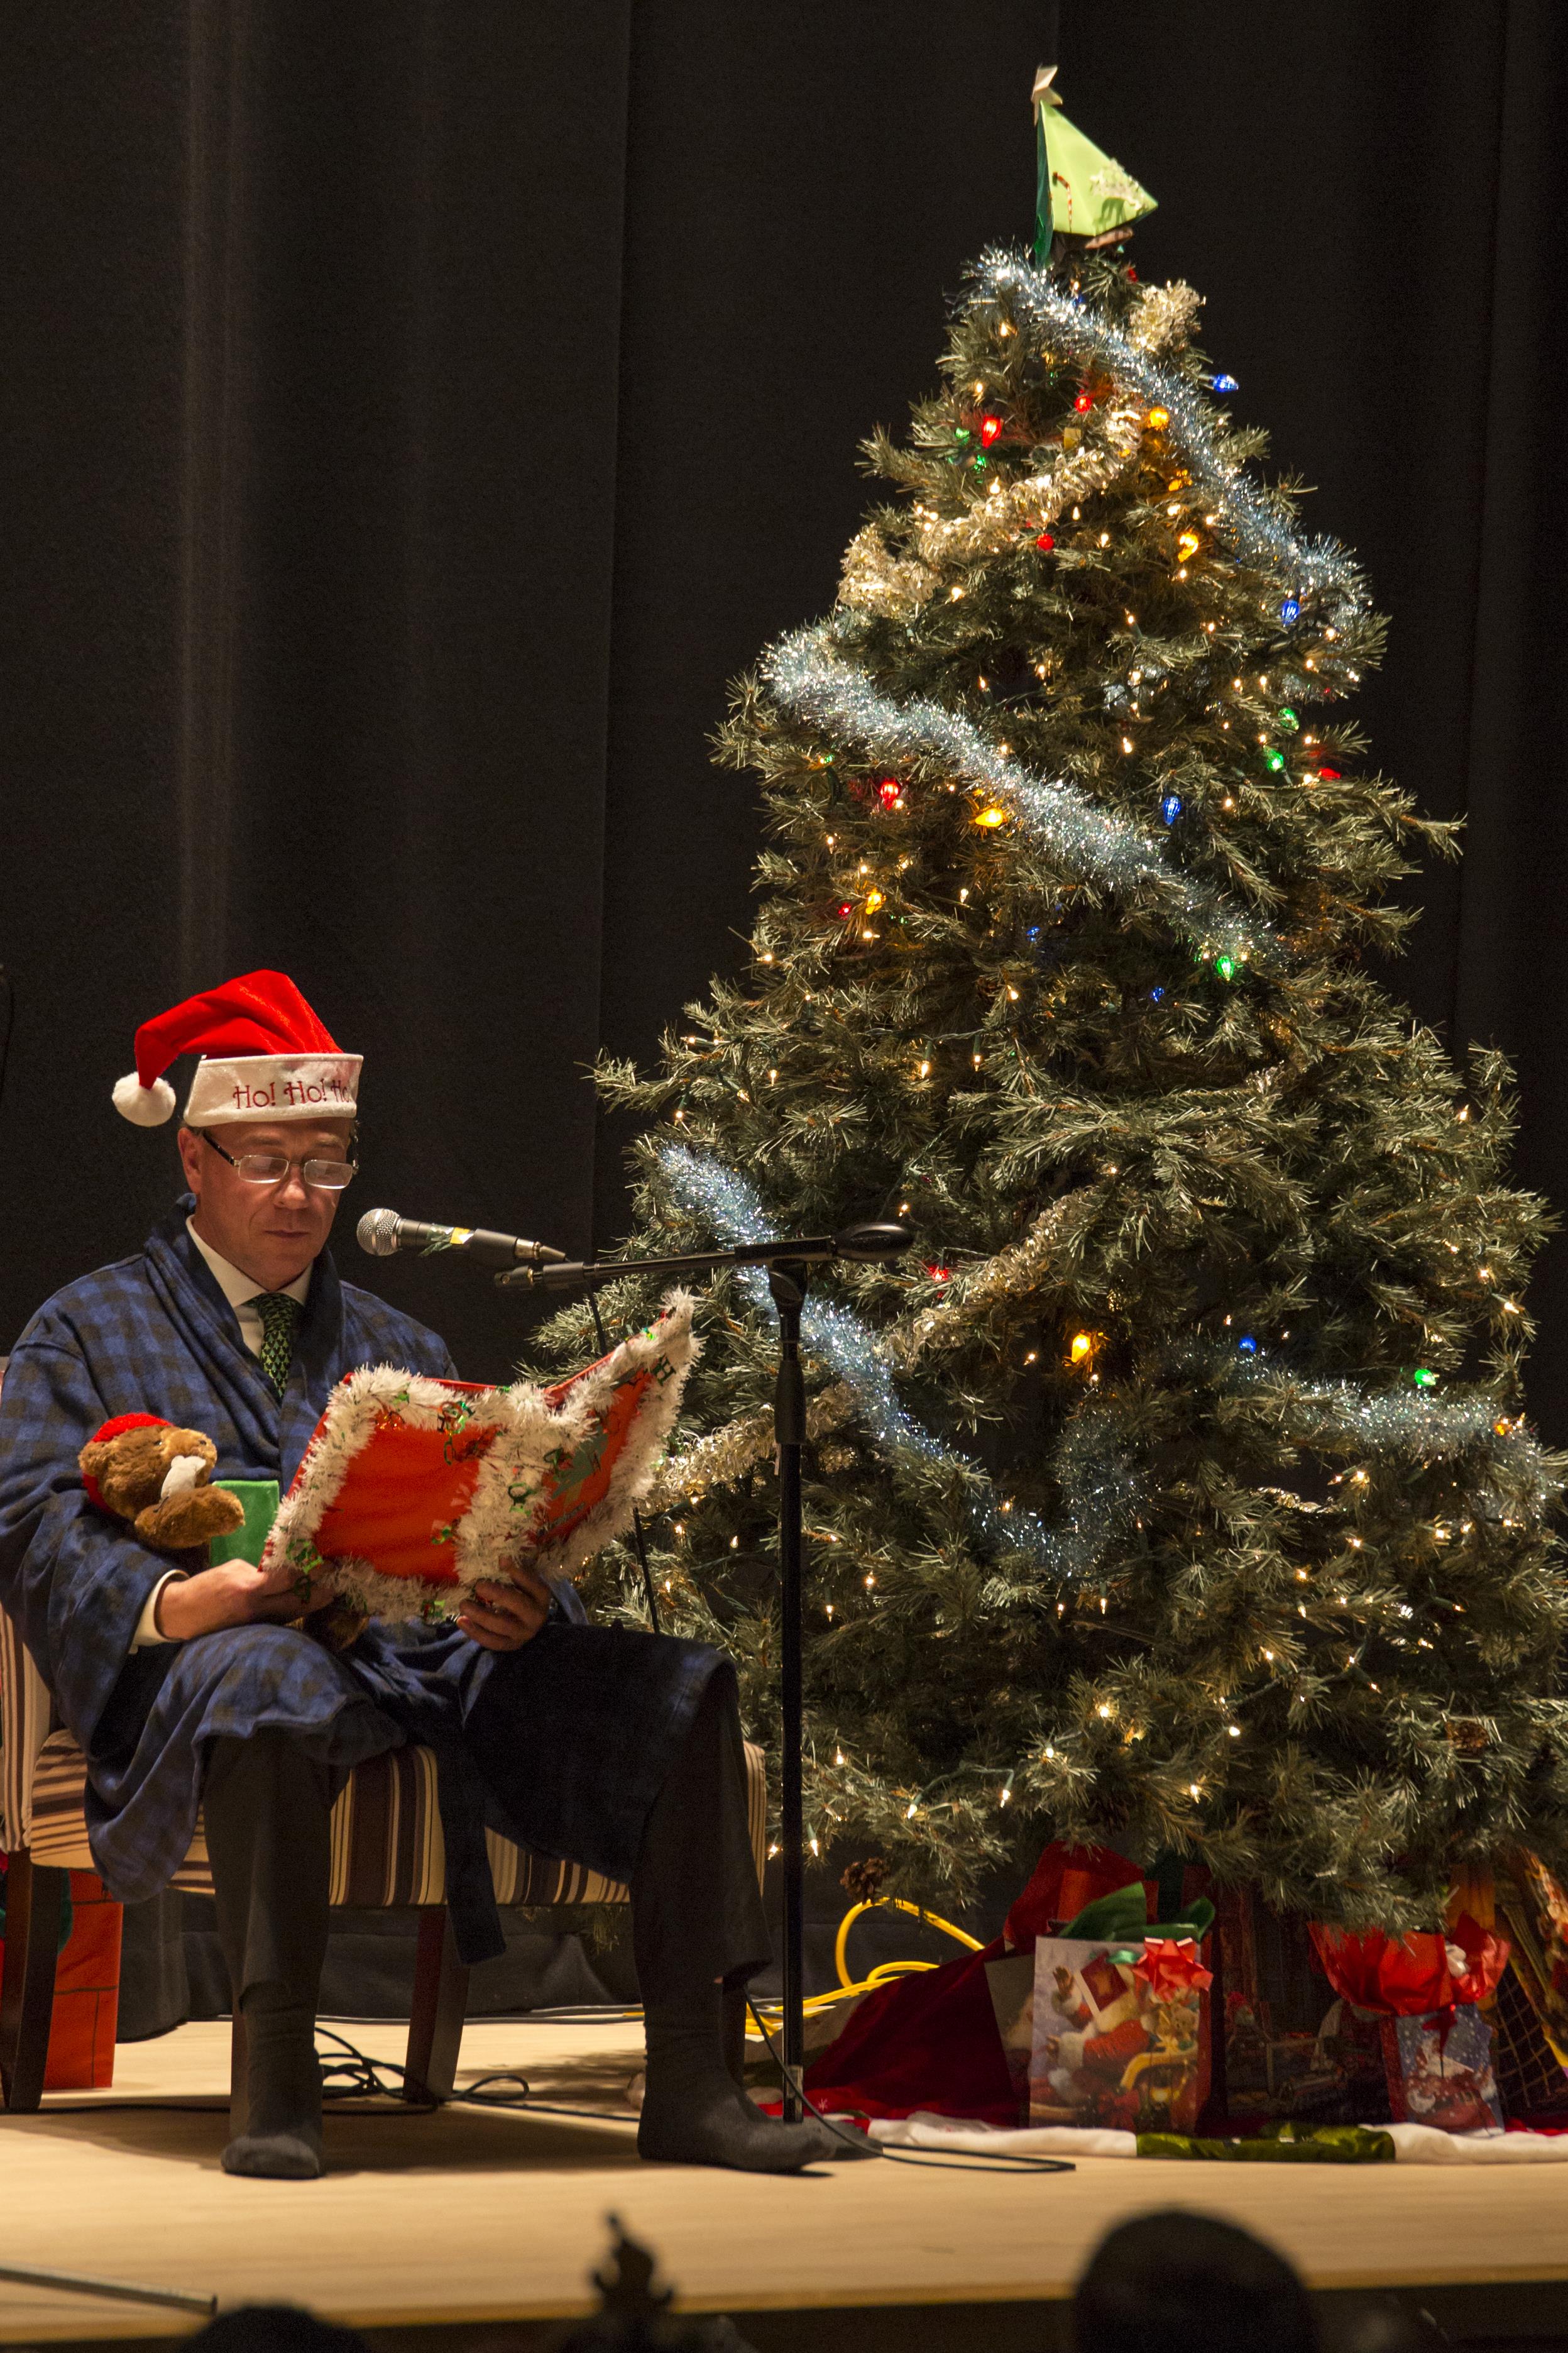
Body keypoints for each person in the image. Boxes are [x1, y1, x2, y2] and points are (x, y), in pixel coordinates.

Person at [0, 971, 857, 2179]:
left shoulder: (401, 1344)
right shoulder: (87, 1327)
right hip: (219, 1665)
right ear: (193, 1160)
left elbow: (473, 1514)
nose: (302, 1196)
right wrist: (185, 1600)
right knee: (262, 1673)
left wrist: (523, 1599)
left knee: (680, 1689)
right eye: (266, 1161)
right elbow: (34, 1526)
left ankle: (696, 2087)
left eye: (328, 1162)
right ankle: (277, 2088)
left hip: (424, 1656)